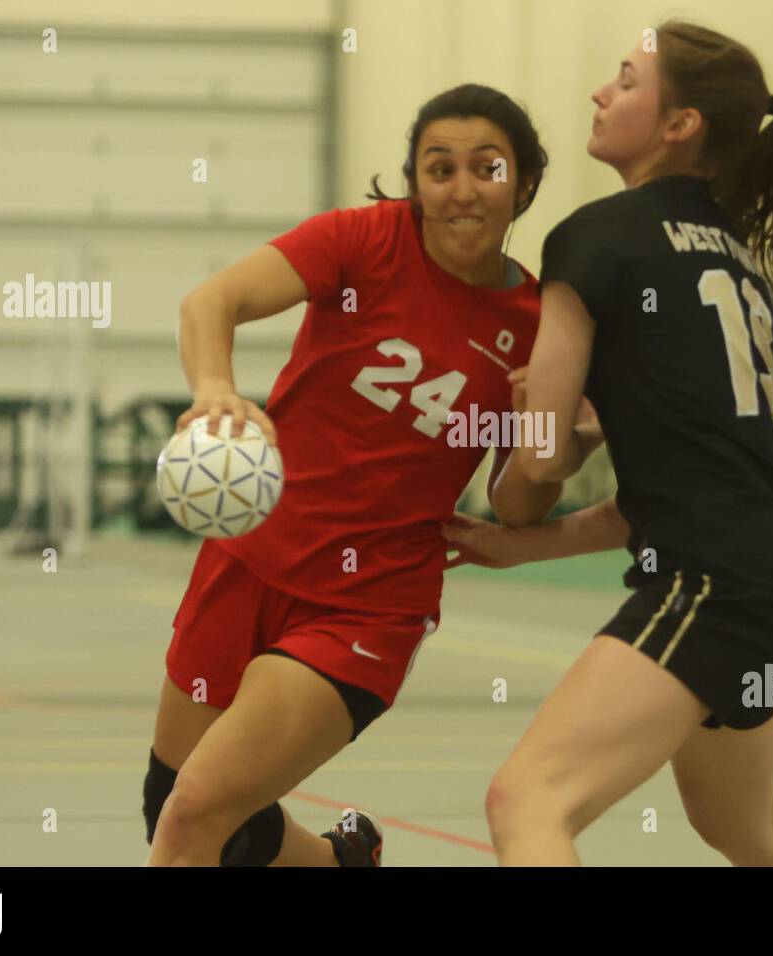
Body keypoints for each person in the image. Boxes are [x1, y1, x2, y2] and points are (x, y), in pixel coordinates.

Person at [446, 20, 773, 866]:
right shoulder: (733, 248)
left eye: (627, 80)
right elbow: (671, 486)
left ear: (680, 124)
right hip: (772, 575)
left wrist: (531, 474)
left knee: (527, 800)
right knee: (743, 826)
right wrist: (524, 547)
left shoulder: (596, 236)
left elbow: (533, 467)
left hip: (711, 581)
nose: (603, 93)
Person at [145, 84, 585, 866]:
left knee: (194, 817)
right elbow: (212, 302)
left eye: (486, 167)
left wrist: (550, 441)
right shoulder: (362, 243)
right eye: (438, 168)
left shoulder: (535, 325)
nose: (461, 189)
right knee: (180, 808)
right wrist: (216, 387)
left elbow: (518, 502)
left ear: (522, 182)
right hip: (248, 559)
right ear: (415, 180)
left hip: (367, 603)